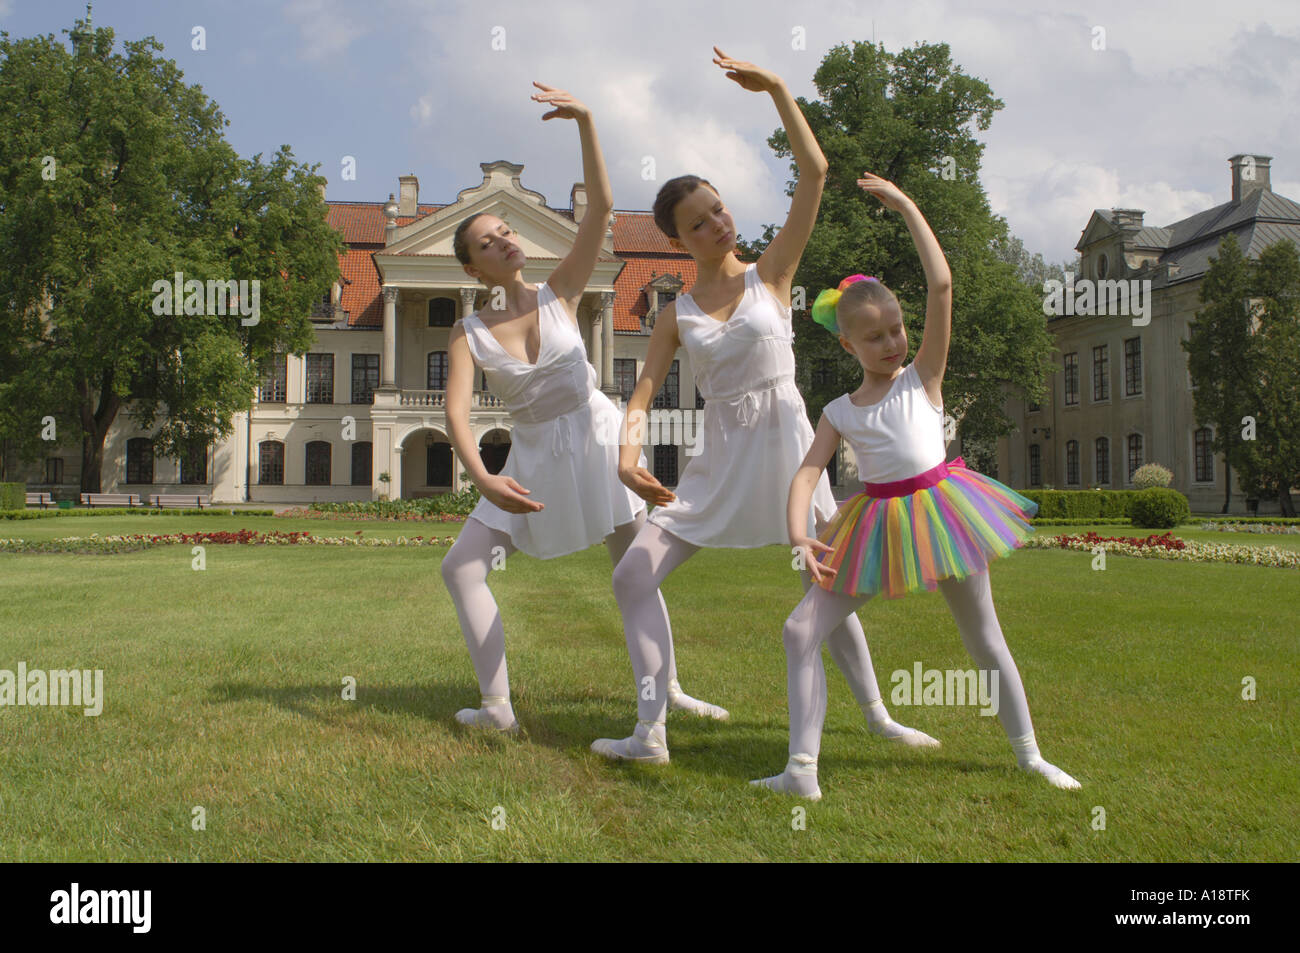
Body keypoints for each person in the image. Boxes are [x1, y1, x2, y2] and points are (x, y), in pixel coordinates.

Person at [592, 52, 935, 763]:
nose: (718, 223)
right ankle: (650, 730)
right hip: (719, 460)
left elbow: (813, 173)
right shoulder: (675, 311)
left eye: (718, 208)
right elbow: (644, 392)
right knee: (631, 574)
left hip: (788, 453)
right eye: (698, 222)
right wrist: (628, 454)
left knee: (827, 580)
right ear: (678, 240)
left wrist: (778, 89)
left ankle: (876, 713)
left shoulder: (770, 274)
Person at [752, 172, 1080, 799]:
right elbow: (806, 472)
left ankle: (1030, 755)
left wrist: (905, 205)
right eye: (873, 337)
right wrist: (801, 532)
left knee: (983, 636)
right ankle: (801, 772)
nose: (890, 343)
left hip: (946, 513)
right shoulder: (839, 411)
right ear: (847, 342)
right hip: (872, 523)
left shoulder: (921, 378)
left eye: (896, 330)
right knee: (799, 630)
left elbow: (942, 284)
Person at [441, 83, 722, 733]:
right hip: (533, 452)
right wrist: (483, 476)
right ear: (473, 269)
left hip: (597, 436)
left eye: (506, 230)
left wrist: (587, 121)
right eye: (488, 241)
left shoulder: (560, 289)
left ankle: (669, 693)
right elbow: (457, 411)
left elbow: (599, 210)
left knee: (636, 568)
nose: (505, 240)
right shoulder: (468, 333)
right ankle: (497, 708)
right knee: (461, 566)